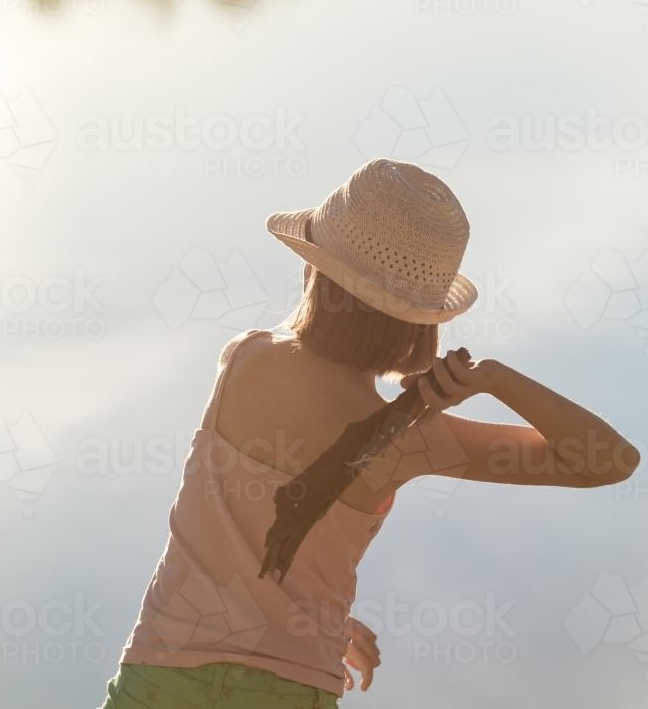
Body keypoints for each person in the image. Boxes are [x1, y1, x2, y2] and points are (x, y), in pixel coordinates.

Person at [99, 158, 640, 708]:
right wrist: (495, 380)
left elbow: (245, 537)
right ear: (424, 320)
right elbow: (609, 461)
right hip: (290, 691)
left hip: (160, 677)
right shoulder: (415, 439)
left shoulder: (244, 360)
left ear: (316, 271)